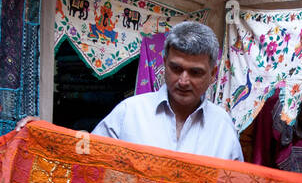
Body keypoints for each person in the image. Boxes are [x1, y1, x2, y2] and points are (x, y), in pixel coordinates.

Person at [92, 21, 244, 162]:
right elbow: (90, 164)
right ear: (165, 63)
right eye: (176, 69)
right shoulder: (129, 113)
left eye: (195, 72)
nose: (183, 81)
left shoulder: (223, 128)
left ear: (212, 74)